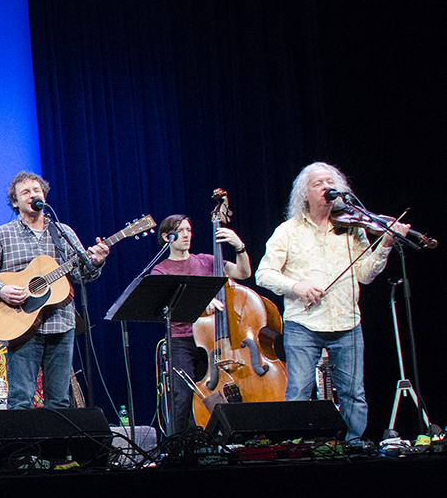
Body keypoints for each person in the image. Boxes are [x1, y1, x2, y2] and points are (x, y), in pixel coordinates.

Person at [256, 162, 409, 443]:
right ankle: (298, 446)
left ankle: (352, 444)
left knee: (353, 393)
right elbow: (263, 274)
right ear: (305, 195)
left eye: (330, 182)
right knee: (299, 391)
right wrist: (297, 286)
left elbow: (365, 275)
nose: (327, 187)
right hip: (304, 324)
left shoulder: (352, 228)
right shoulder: (288, 231)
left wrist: (385, 245)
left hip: (347, 322)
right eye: (318, 184)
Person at [0, 172, 110, 410]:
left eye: (37, 190)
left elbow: (80, 275)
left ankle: (57, 438)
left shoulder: (62, 232)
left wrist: (95, 262)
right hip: (20, 324)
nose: (33, 195)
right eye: (25, 192)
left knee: (60, 401)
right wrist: (0, 290)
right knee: (21, 400)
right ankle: (21, 438)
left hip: (61, 323)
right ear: (15, 202)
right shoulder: (3, 234)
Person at [150, 214, 252, 434]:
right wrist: (201, 301)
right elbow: (167, 305)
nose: (186, 235)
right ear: (167, 237)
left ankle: (215, 440)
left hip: (213, 340)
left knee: (216, 394)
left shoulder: (206, 261)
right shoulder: (161, 270)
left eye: (188, 230)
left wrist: (240, 247)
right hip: (181, 340)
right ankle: (178, 444)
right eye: (180, 231)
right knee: (182, 397)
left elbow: (243, 273)